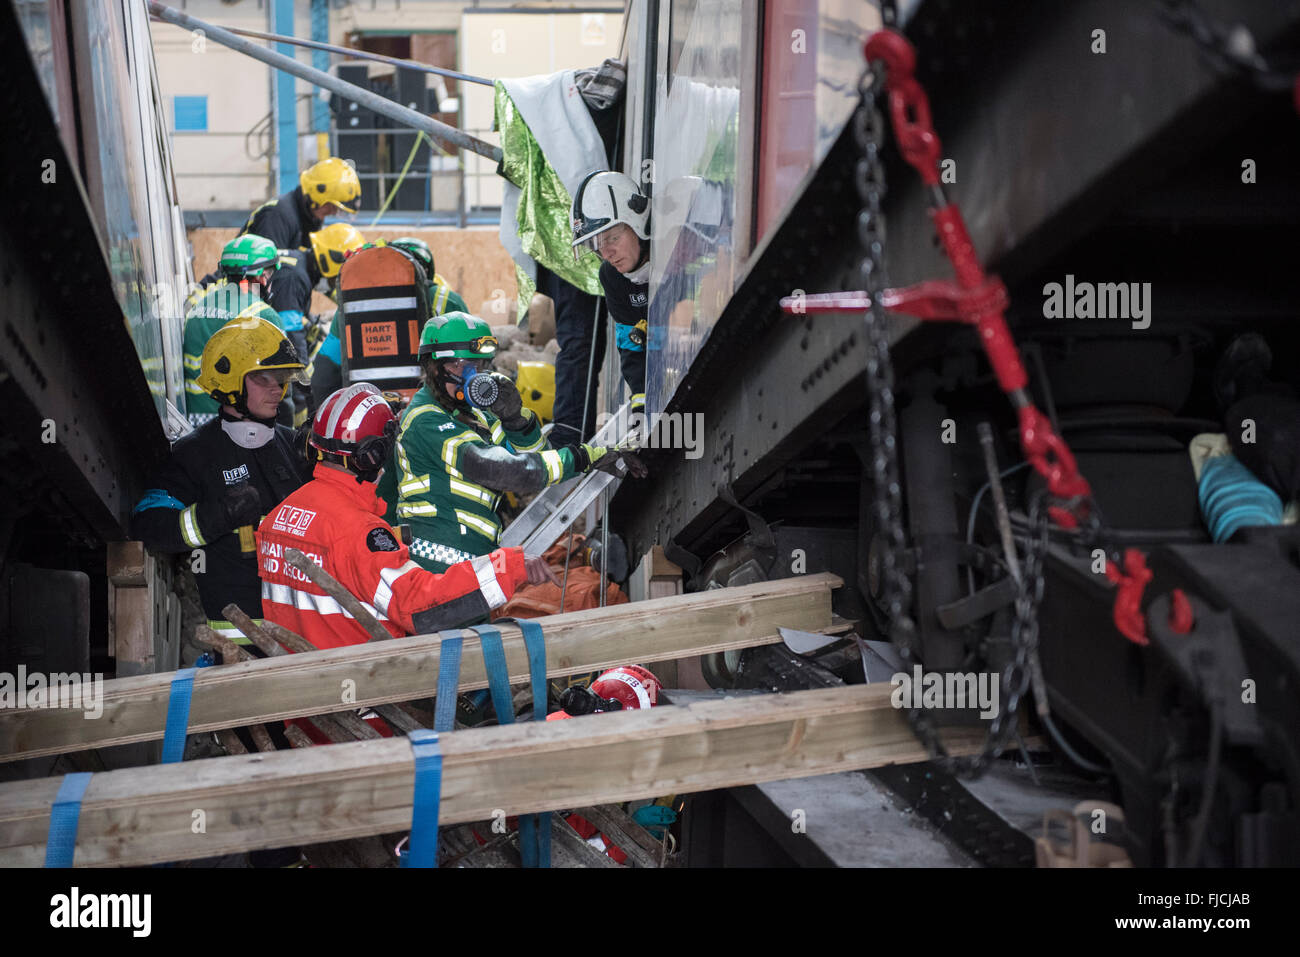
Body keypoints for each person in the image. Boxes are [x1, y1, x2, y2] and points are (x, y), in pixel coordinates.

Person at [256, 383, 556, 648]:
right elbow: (419, 607)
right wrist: (509, 566)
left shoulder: (278, 517)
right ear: (372, 456)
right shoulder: (359, 532)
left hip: (300, 701)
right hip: (364, 699)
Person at [378, 311, 645, 573]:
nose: (471, 374)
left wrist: (517, 422)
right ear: (433, 367)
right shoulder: (425, 419)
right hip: (436, 566)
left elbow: (537, 459)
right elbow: (506, 471)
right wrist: (585, 457)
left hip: (471, 562)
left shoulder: (476, 413)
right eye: (458, 365)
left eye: (478, 365)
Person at [134, 315, 311, 647]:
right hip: (236, 651)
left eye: (282, 378)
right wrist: (218, 516)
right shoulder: (194, 455)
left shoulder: (293, 447)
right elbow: (148, 525)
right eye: (263, 378)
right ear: (230, 382)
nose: (278, 389)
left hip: (301, 639)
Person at [569, 170, 650, 420]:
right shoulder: (612, 277)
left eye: (613, 238)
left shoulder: (676, 251)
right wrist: (640, 404)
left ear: (638, 223)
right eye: (597, 245)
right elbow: (631, 343)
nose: (608, 254)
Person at [266, 223, 366, 419]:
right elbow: (291, 340)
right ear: (330, 261)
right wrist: (310, 390)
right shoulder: (294, 277)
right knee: (298, 398)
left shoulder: (298, 264)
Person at [182, 235, 284, 427]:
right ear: (261, 276)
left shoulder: (198, 307)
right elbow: (281, 382)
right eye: (269, 273)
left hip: (194, 422)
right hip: (238, 423)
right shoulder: (263, 315)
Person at [241, 156, 361, 254]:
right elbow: (270, 273)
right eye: (332, 206)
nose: (333, 212)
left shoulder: (308, 218)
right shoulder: (278, 216)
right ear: (316, 197)